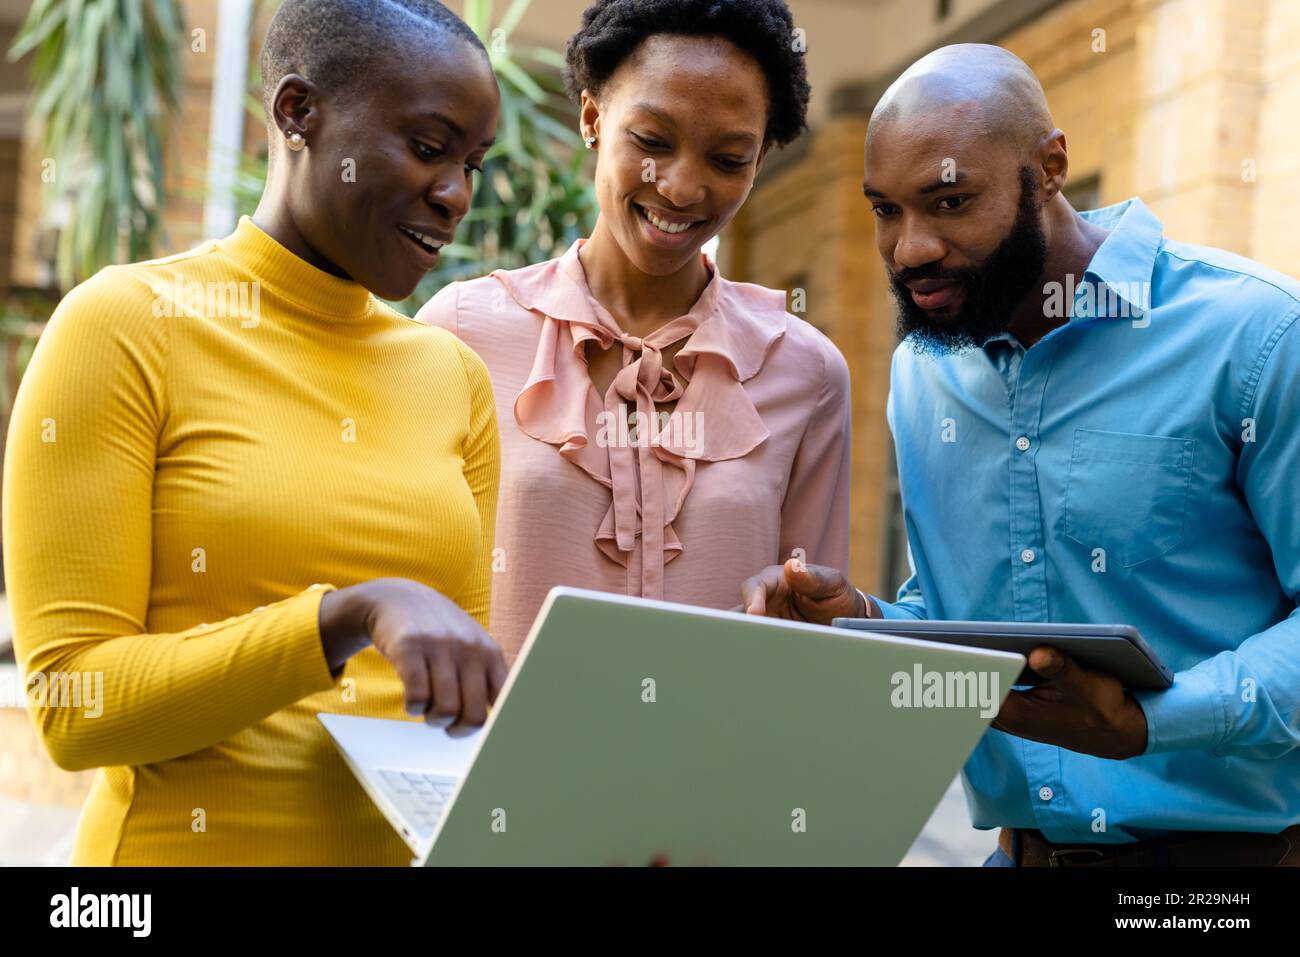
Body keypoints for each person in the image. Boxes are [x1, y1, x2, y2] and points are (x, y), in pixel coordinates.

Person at [741, 43, 1300, 866]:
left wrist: (1154, 718)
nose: (910, 249)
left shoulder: (1256, 337)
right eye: (886, 210)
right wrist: (865, 619)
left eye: (950, 200)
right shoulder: (923, 371)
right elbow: (962, 604)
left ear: (1050, 168)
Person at [3, 0, 505, 866]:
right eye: (428, 147)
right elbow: (72, 707)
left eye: (472, 163)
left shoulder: (452, 377)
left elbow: (455, 711)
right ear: (296, 111)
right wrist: (342, 618)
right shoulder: (126, 325)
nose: (455, 194)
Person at [418, 0, 851, 663]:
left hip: (717, 763)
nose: (681, 187)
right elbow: (407, 594)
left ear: (760, 158)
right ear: (593, 118)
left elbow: (815, 643)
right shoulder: (460, 333)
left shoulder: (808, 372)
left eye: (729, 158)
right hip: (492, 762)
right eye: (651, 141)